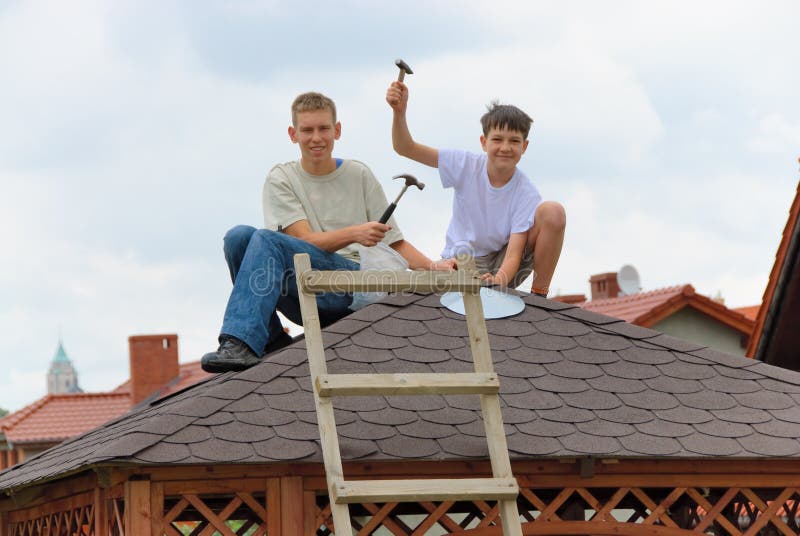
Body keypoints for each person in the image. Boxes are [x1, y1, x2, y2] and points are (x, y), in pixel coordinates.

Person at [201, 92, 455, 373]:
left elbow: (395, 243)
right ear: (293, 134)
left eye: (323, 129)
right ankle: (268, 338)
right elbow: (304, 241)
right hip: (303, 287)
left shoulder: (359, 175)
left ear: (337, 130)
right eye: (307, 130)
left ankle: (240, 340)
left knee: (264, 239)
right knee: (239, 237)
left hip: (351, 288)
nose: (316, 138)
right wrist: (355, 233)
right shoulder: (281, 178)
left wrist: (434, 267)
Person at [386, 81, 566, 296]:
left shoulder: (526, 192)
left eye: (514, 141)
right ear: (483, 142)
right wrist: (399, 112)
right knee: (416, 295)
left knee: (553, 212)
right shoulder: (465, 165)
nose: (505, 148)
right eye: (497, 139)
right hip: (461, 261)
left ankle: (540, 294)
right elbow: (405, 147)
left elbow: (513, 256)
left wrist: (496, 281)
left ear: (524, 146)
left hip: (503, 265)